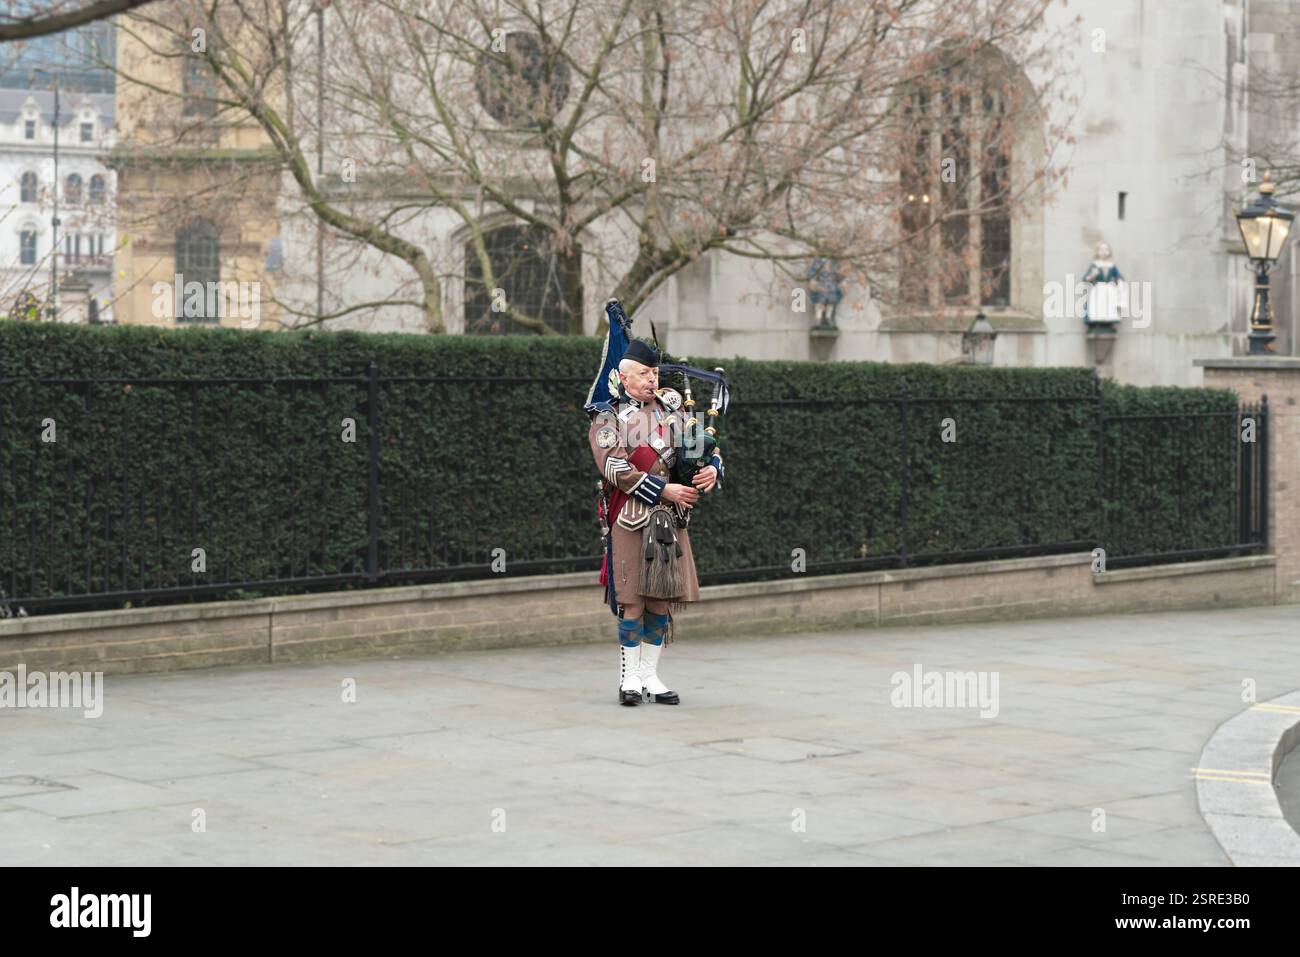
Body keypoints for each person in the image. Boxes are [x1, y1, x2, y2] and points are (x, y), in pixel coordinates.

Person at [587, 337, 723, 706]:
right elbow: (616, 469)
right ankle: (629, 678)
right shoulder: (608, 418)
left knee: (661, 601)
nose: (652, 379)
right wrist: (667, 491)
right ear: (624, 377)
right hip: (631, 519)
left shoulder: (673, 413)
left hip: (671, 519)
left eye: (655, 373)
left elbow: (702, 448)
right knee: (632, 602)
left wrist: (712, 469)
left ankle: (651, 676)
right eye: (644, 373)